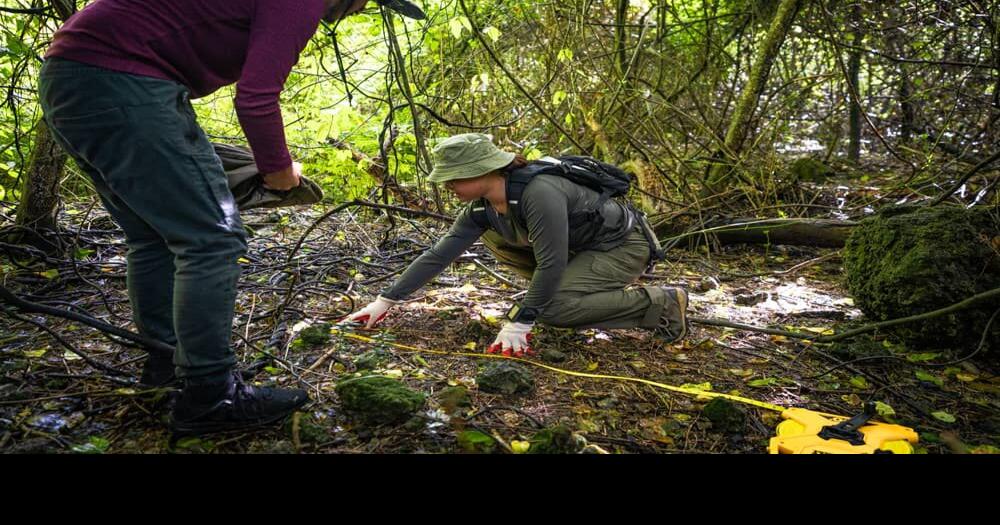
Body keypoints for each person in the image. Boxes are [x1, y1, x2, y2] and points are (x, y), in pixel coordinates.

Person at [38, 0, 426, 435]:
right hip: (124, 83)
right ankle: (210, 394)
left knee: (153, 237)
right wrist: (279, 171)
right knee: (212, 240)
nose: (360, 9)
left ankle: (166, 369)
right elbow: (257, 97)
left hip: (70, 79)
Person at [346, 133, 688, 356]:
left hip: (622, 245)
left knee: (552, 309)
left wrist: (523, 319)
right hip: (582, 249)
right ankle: (563, 296)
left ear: (484, 171)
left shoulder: (540, 192)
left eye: (454, 177)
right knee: (497, 240)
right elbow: (439, 255)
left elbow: (551, 262)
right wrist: (386, 300)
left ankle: (662, 303)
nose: (447, 184)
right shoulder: (481, 208)